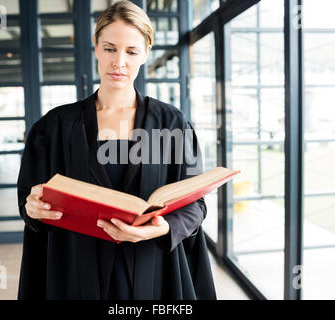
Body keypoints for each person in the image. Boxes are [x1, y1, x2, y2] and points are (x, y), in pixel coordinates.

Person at [17, 0, 216, 300]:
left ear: (146, 53)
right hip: (77, 274)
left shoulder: (172, 123)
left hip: (153, 269)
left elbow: (195, 206)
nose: (118, 62)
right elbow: (29, 201)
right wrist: (31, 208)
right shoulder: (54, 127)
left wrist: (160, 229)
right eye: (109, 48)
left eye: (131, 52)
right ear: (96, 46)